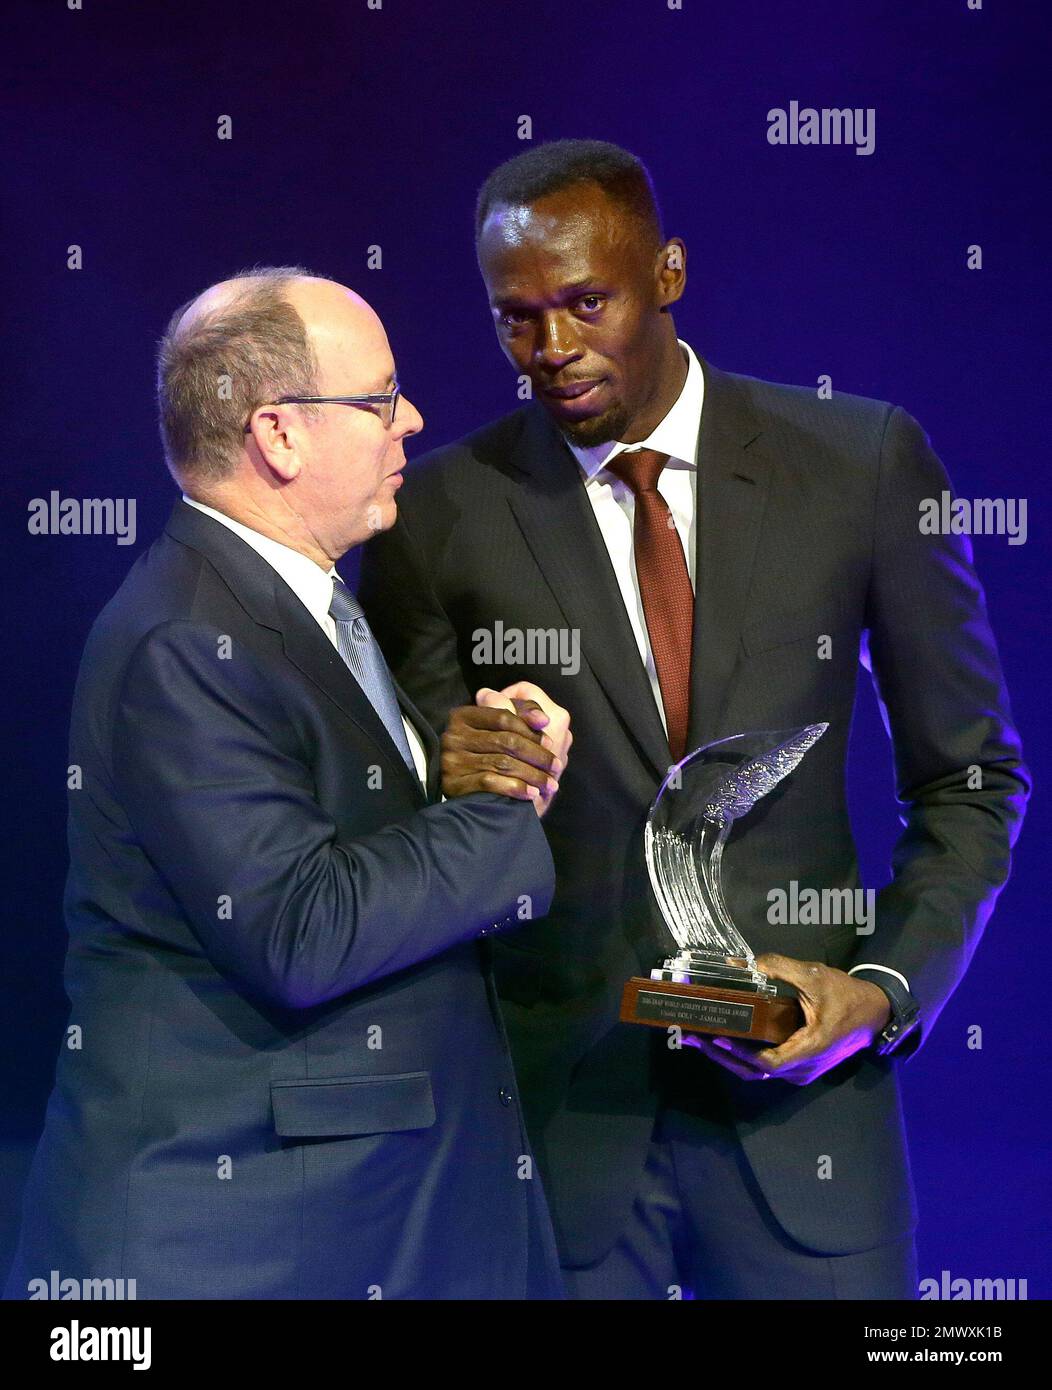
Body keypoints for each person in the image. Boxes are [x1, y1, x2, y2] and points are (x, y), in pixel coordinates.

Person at [357, 141, 1030, 1299]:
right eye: (515, 318)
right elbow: (406, 815)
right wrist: (437, 765)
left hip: (807, 1134)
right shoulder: (440, 513)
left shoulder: (859, 462)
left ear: (665, 271)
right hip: (562, 1134)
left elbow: (971, 781)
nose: (552, 349)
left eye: (585, 302)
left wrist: (873, 994)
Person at [6, 267, 572, 1300]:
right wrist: (499, 813)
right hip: (243, 1244)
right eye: (376, 399)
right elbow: (299, 928)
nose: (409, 419)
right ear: (277, 434)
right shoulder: (185, 639)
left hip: (365, 1220)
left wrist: (452, 768)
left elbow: (335, 833)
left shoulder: (294, 603)